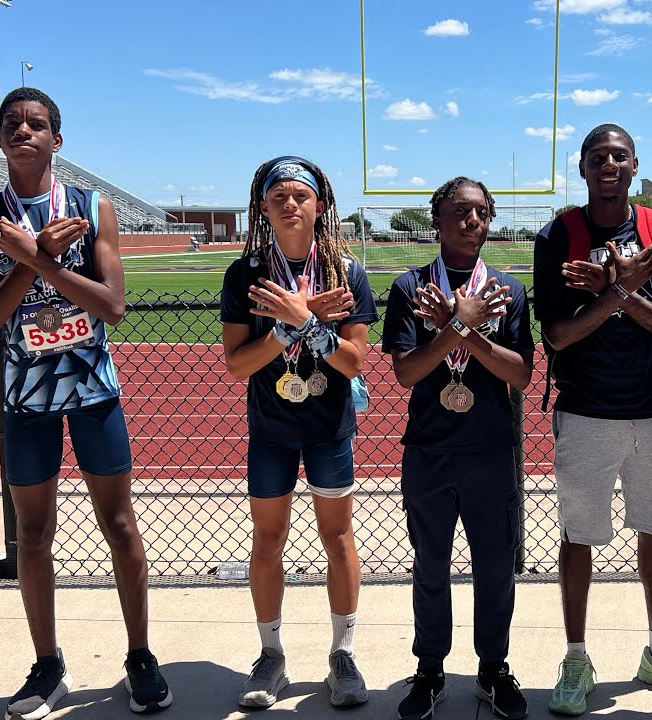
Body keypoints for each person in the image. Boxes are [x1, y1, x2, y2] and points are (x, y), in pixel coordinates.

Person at [0, 87, 171, 719]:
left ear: (57, 138)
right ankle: (48, 664)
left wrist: (41, 261)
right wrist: (34, 259)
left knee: (121, 524)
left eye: (38, 123)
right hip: (25, 397)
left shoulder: (92, 208)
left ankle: (139, 657)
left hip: (91, 389)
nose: (25, 130)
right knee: (32, 532)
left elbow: (112, 306)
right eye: (12, 124)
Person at [532, 124, 652, 716]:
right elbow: (558, 334)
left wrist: (621, 289)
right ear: (582, 168)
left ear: (635, 164)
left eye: (619, 155)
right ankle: (578, 656)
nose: (609, 164)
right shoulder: (560, 234)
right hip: (586, 409)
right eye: (597, 157)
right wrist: (620, 294)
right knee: (579, 537)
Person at [219, 156, 378, 710]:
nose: (291, 203)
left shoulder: (347, 273)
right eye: (279, 195)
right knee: (268, 541)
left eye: (301, 195)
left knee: (338, 539)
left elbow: (355, 361)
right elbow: (237, 365)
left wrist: (308, 324)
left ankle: (343, 655)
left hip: (329, 426)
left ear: (320, 205)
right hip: (271, 428)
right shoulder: (245, 275)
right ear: (262, 206)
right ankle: (271, 655)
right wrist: (287, 326)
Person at [382, 177, 535, 720]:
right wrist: (453, 329)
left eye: (481, 213)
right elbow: (407, 371)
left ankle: (493, 667)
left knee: (495, 566)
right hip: (429, 450)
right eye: (459, 212)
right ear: (438, 221)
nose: (472, 221)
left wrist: (464, 331)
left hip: (491, 450)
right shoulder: (410, 287)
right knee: (431, 566)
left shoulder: (508, 290)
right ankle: (430, 669)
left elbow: (520, 373)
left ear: (490, 221)